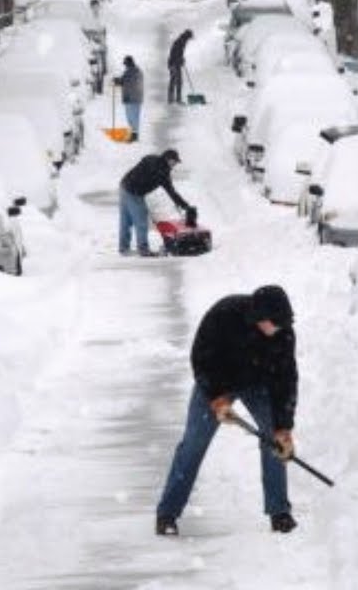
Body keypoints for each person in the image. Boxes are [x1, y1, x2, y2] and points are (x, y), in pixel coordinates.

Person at [155, 285, 299, 536]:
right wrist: (216, 398)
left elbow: (286, 381)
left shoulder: (283, 334)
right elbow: (201, 359)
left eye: (281, 324)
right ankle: (167, 512)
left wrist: (283, 427)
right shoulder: (224, 315)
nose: (276, 329)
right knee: (194, 443)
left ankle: (280, 513)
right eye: (272, 324)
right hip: (217, 383)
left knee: (274, 441)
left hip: (257, 385)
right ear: (258, 318)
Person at [119, 149, 193, 256]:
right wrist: (155, 173)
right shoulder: (153, 163)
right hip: (133, 192)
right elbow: (146, 162)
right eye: (174, 161)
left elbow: (172, 192)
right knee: (141, 220)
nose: (175, 164)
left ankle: (123, 248)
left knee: (126, 220)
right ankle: (143, 250)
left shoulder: (164, 174)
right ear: (168, 159)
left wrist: (185, 206)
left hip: (124, 186)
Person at [114, 56, 144, 142]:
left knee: (131, 117)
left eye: (126, 64)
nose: (125, 66)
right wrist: (119, 81)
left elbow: (124, 82)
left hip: (130, 98)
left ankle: (134, 135)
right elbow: (125, 81)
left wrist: (117, 81)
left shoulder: (130, 72)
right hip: (137, 98)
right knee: (134, 117)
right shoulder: (137, 71)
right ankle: (134, 134)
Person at [166, 30, 193, 105]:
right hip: (174, 64)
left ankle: (172, 99)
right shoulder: (180, 42)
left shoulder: (181, 41)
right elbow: (175, 53)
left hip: (174, 63)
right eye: (189, 38)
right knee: (177, 81)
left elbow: (178, 53)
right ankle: (175, 99)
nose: (189, 40)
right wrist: (180, 60)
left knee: (175, 81)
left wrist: (182, 59)